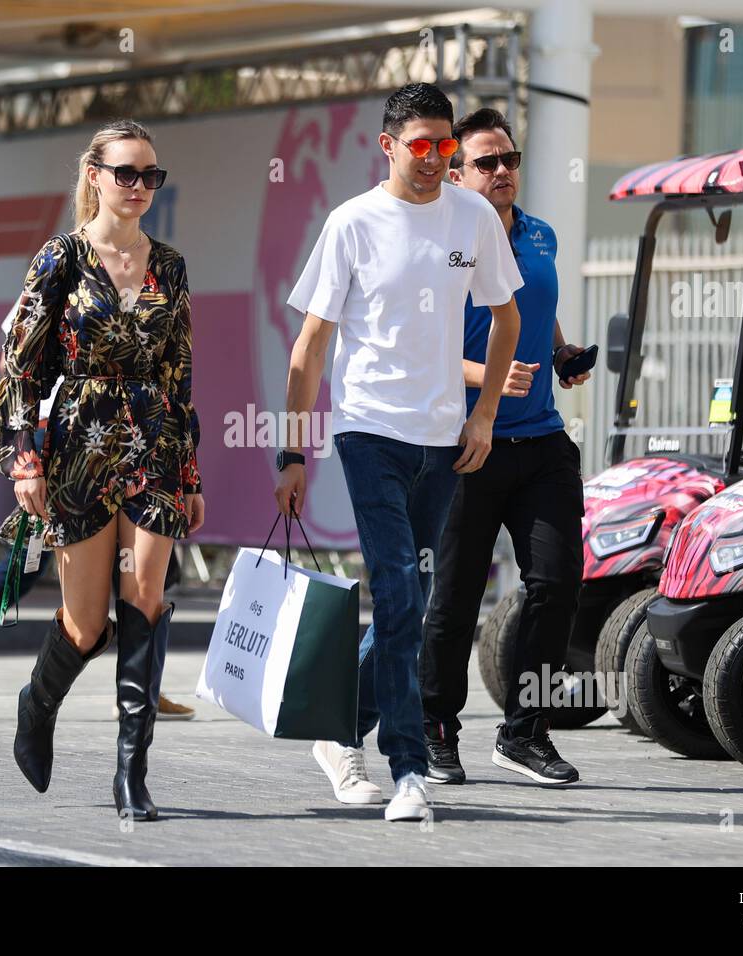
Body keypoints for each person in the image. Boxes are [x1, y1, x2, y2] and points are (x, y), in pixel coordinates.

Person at [278, 84, 522, 822]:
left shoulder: (473, 215)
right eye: (421, 145)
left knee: (411, 607)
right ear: (386, 146)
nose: (435, 158)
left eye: (446, 145)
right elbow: (311, 346)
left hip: (444, 442)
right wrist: (292, 455)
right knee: (398, 593)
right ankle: (409, 770)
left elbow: (506, 318)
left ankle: (335, 730)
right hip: (368, 435)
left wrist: (482, 416)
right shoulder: (352, 224)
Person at [0, 119, 205, 822]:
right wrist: (25, 457)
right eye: (127, 173)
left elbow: (182, 370)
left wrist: (191, 472)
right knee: (85, 622)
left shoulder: (169, 264)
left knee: (145, 596)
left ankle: (131, 774)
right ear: (95, 176)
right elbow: (21, 363)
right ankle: (37, 702)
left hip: (157, 439)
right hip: (81, 438)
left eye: (151, 176)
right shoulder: (61, 258)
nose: (139, 187)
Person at [420, 108, 591, 787]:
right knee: (456, 597)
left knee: (556, 584)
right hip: (462, 444)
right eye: (486, 162)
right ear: (456, 174)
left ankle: (525, 733)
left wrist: (561, 353)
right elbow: (415, 345)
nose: (501, 172)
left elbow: (534, 313)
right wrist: (482, 376)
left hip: (541, 443)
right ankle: (436, 728)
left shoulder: (540, 234)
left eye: (509, 159)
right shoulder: (440, 242)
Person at [0, 302, 194, 722]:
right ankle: (138, 692)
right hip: (75, 435)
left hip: (81, 434)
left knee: (129, 565)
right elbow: (13, 361)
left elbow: (10, 359)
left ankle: (142, 690)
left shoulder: (97, 274)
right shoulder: (61, 270)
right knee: (89, 562)